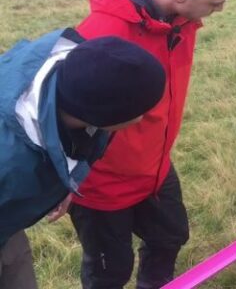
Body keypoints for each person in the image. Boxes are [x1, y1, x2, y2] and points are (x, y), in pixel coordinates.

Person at [58, 0, 235, 289]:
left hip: (155, 167)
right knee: (109, 273)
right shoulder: (100, 37)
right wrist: (61, 175)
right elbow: (60, 113)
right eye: (215, 4)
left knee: (170, 237)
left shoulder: (178, 20)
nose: (221, 9)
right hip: (102, 186)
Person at [0, 29, 166, 289]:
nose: (144, 117)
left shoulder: (78, 79)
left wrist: (63, 179)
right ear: (109, 118)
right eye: (141, 111)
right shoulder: (13, 164)